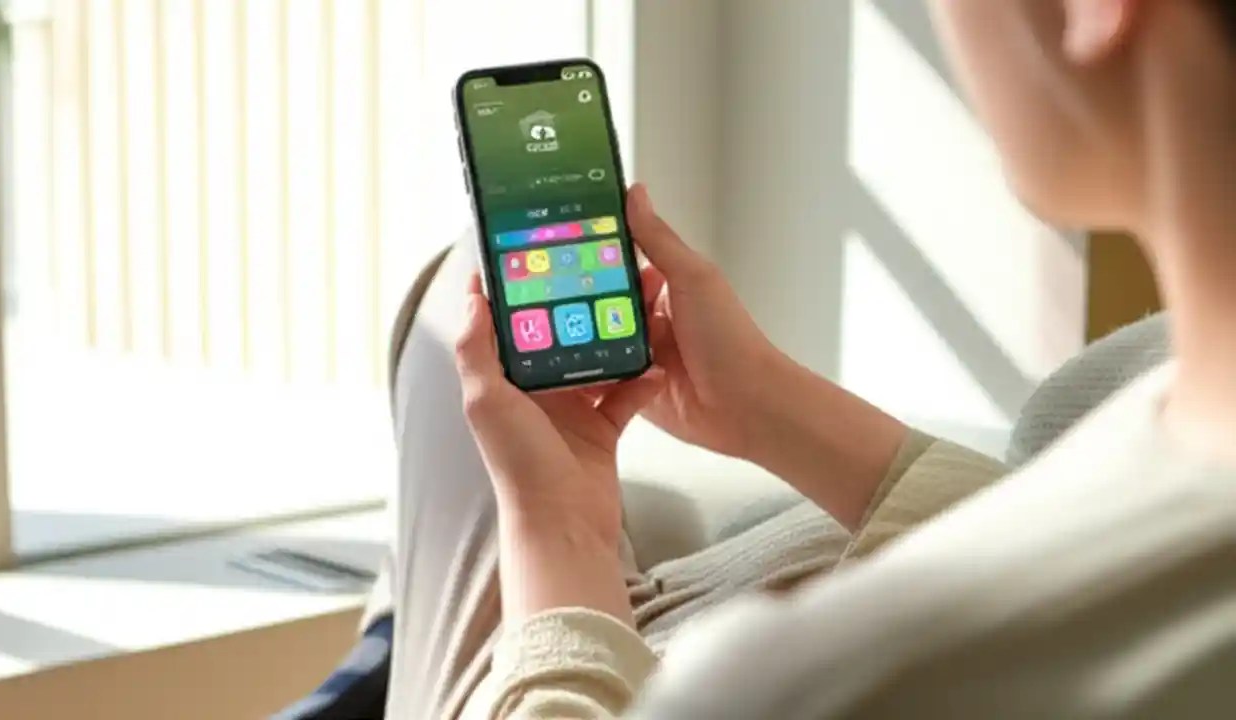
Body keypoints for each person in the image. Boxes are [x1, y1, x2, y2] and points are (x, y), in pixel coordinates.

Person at [380, 0, 1236, 717]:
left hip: (603, 669)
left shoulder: (809, 689)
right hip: (705, 604)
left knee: (461, 287)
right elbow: (1057, 543)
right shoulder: (1175, 404)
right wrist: (769, 406)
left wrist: (558, 527)